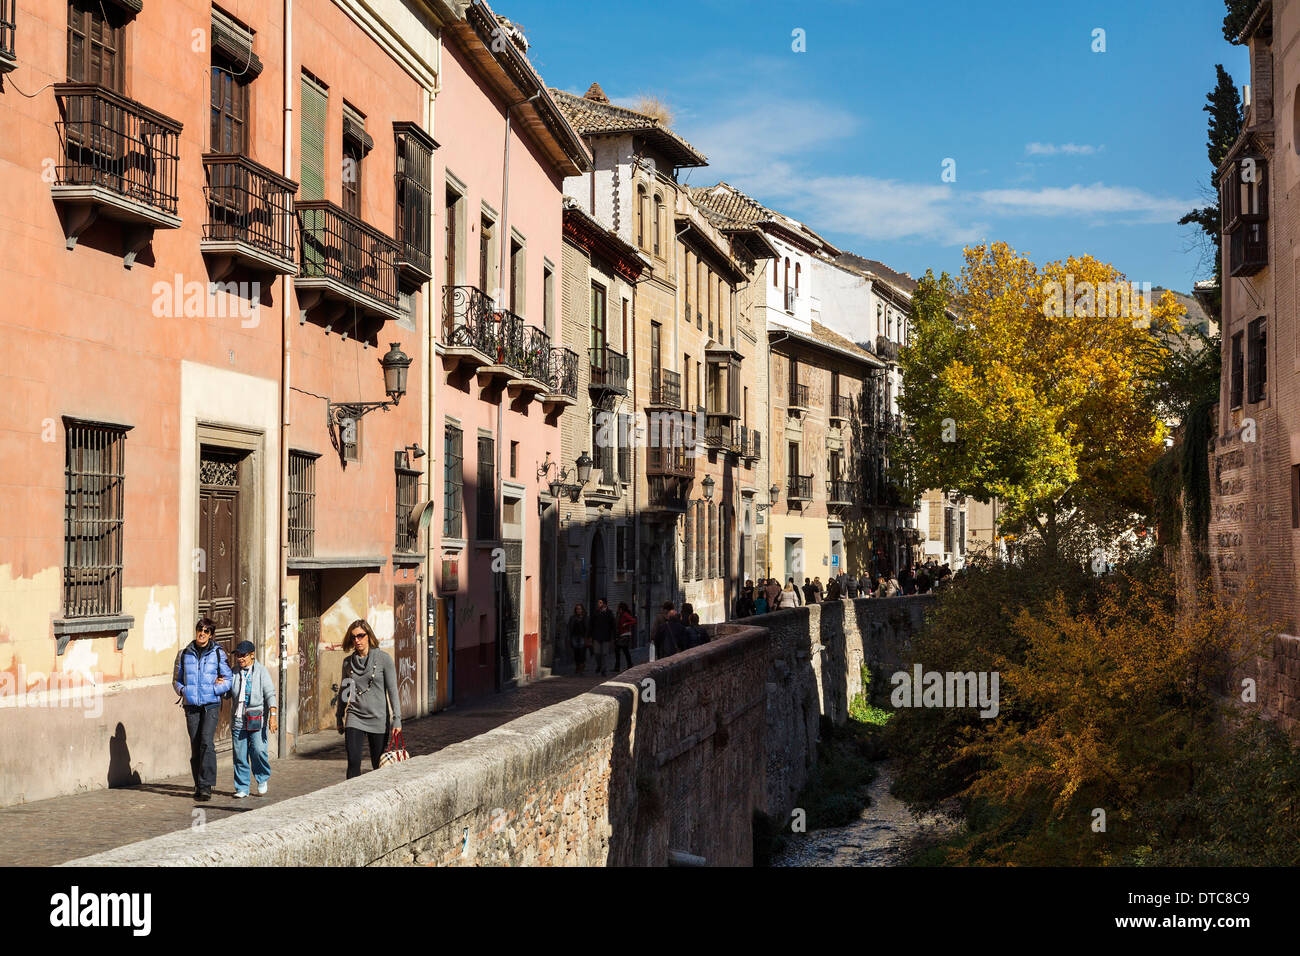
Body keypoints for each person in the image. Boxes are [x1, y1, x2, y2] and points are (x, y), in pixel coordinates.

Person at [173, 618, 233, 801]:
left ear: (211, 635)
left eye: (206, 631)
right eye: (200, 629)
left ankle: (206, 786)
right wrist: (184, 691)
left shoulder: (217, 654)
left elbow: (228, 679)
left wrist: (215, 689)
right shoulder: (184, 654)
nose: (202, 633)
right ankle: (198, 784)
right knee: (195, 744)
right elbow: (177, 679)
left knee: (207, 742)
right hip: (191, 706)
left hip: (211, 705)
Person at [335, 619, 402, 780]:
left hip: (378, 718)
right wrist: (339, 716)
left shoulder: (383, 659)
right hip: (355, 716)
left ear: (369, 636)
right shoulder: (348, 663)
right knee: (353, 761)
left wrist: (397, 719)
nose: (357, 640)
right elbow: (345, 692)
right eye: (353, 637)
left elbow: (393, 691)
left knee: (377, 764)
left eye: (360, 636)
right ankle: (353, 800)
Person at [230, 640, 277, 798]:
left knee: (258, 750)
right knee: (240, 754)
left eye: (242, 655)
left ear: (252, 655)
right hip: (238, 718)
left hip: (256, 717)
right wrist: (220, 684)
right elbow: (227, 693)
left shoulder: (261, 671)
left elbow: (270, 693)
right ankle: (242, 787)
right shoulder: (234, 671)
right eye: (237, 655)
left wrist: (273, 716)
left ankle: (262, 778)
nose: (240, 658)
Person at [590, 598, 616, 675]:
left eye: (600, 603)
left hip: (606, 637)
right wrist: (589, 635)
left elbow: (613, 625)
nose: (599, 604)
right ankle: (599, 665)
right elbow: (591, 624)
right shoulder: (595, 612)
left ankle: (604, 669)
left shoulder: (609, 613)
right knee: (596, 653)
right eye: (598, 603)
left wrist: (614, 636)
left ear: (605, 604)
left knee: (604, 654)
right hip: (596, 636)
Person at [568, 603, 589, 675]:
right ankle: (577, 666)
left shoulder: (585, 618)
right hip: (574, 637)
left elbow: (588, 628)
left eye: (579, 609)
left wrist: (588, 637)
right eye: (577, 609)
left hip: (583, 637)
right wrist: (569, 637)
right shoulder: (572, 618)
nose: (578, 610)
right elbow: (569, 628)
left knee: (582, 652)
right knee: (576, 652)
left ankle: (581, 666)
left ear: (582, 610)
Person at [614, 602, 636, 672]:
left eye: (619, 608)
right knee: (624, 651)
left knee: (621, 650)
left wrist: (626, 623)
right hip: (620, 635)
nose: (618, 609)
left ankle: (619, 666)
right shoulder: (619, 614)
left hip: (625, 635)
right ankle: (628, 664)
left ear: (621, 608)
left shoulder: (625, 614)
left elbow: (634, 621)